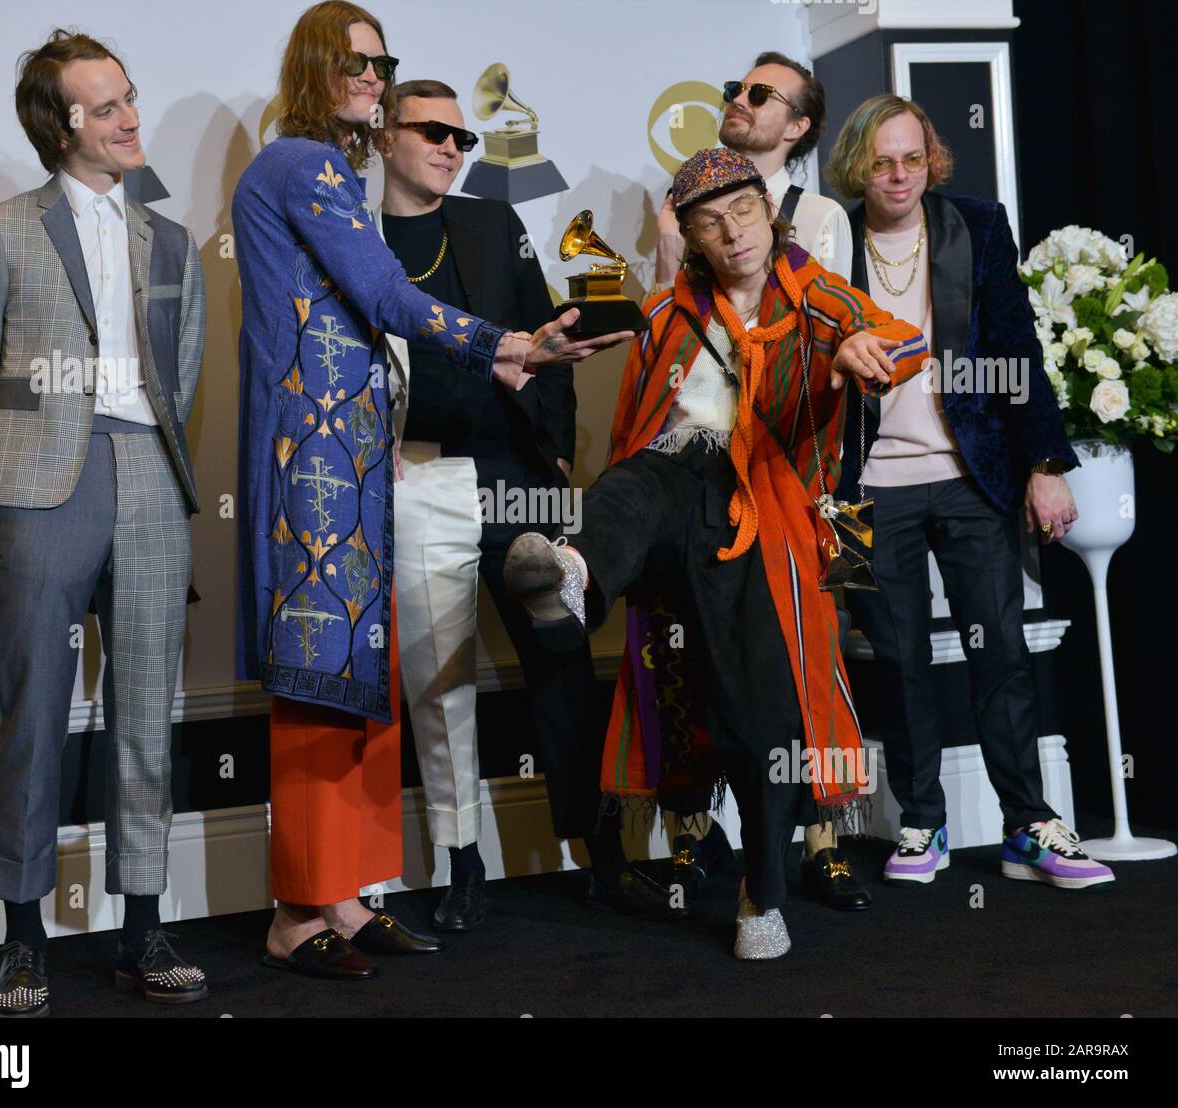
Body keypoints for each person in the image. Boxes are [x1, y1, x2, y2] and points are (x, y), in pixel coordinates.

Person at [231, 1, 630, 982]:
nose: (372, 78)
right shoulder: (303, 164)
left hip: (360, 463)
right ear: (315, 70)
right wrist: (504, 342)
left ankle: (349, 898)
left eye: (382, 63)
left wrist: (507, 364)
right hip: (317, 470)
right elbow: (382, 297)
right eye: (356, 64)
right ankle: (297, 914)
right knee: (321, 688)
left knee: (362, 685)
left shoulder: (342, 176)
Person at [504, 148, 930, 958]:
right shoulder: (666, 313)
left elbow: (901, 342)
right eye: (707, 222)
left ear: (767, 213)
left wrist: (855, 356)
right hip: (679, 484)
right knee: (635, 480)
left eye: (740, 212)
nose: (729, 232)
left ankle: (764, 892)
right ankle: (575, 569)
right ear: (690, 237)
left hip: (770, 514)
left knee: (761, 710)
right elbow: (636, 425)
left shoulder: (823, 298)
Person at [0, 29, 208, 1016]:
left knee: (146, 714)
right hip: (36, 486)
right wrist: (14, 478)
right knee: (32, 717)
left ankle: (143, 928)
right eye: (105, 107)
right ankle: (21, 939)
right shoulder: (2, 230)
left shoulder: (171, 241)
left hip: (150, 475)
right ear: (61, 127)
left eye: (129, 97)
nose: (130, 117)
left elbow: (180, 383)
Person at [379, 80, 676, 930]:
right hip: (419, 479)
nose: (451, 148)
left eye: (463, 138)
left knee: (562, 661)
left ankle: (601, 854)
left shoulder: (490, 224)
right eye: (434, 131)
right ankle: (461, 861)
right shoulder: (353, 237)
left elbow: (552, 336)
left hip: (515, 474)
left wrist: (549, 451)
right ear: (383, 137)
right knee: (440, 684)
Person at [826, 95, 1115, 891]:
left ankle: (1031, 823)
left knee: (1003, 653)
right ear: (858, 164)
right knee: (898, 660)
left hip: (971, 478)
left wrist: (1045, 464)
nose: (897, 175)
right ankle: (921, 819)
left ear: (932, 158)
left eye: (912, 159)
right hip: (863, 491)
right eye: (882, 161)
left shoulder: (976, 226)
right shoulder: (826, 237)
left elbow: (1016, 344)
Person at [651, 52, 868, 911]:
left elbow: (846, 336)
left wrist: (837, 491)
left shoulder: (818, 217)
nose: (737, 102)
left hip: (821, 465)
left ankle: (824, 833)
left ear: (801, 126)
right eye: (736, 90)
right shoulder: (682, 209)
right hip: (710, 467)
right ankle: (695, 835)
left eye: (761, 95)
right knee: (688, 644)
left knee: (822, 637)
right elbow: (667, 343)